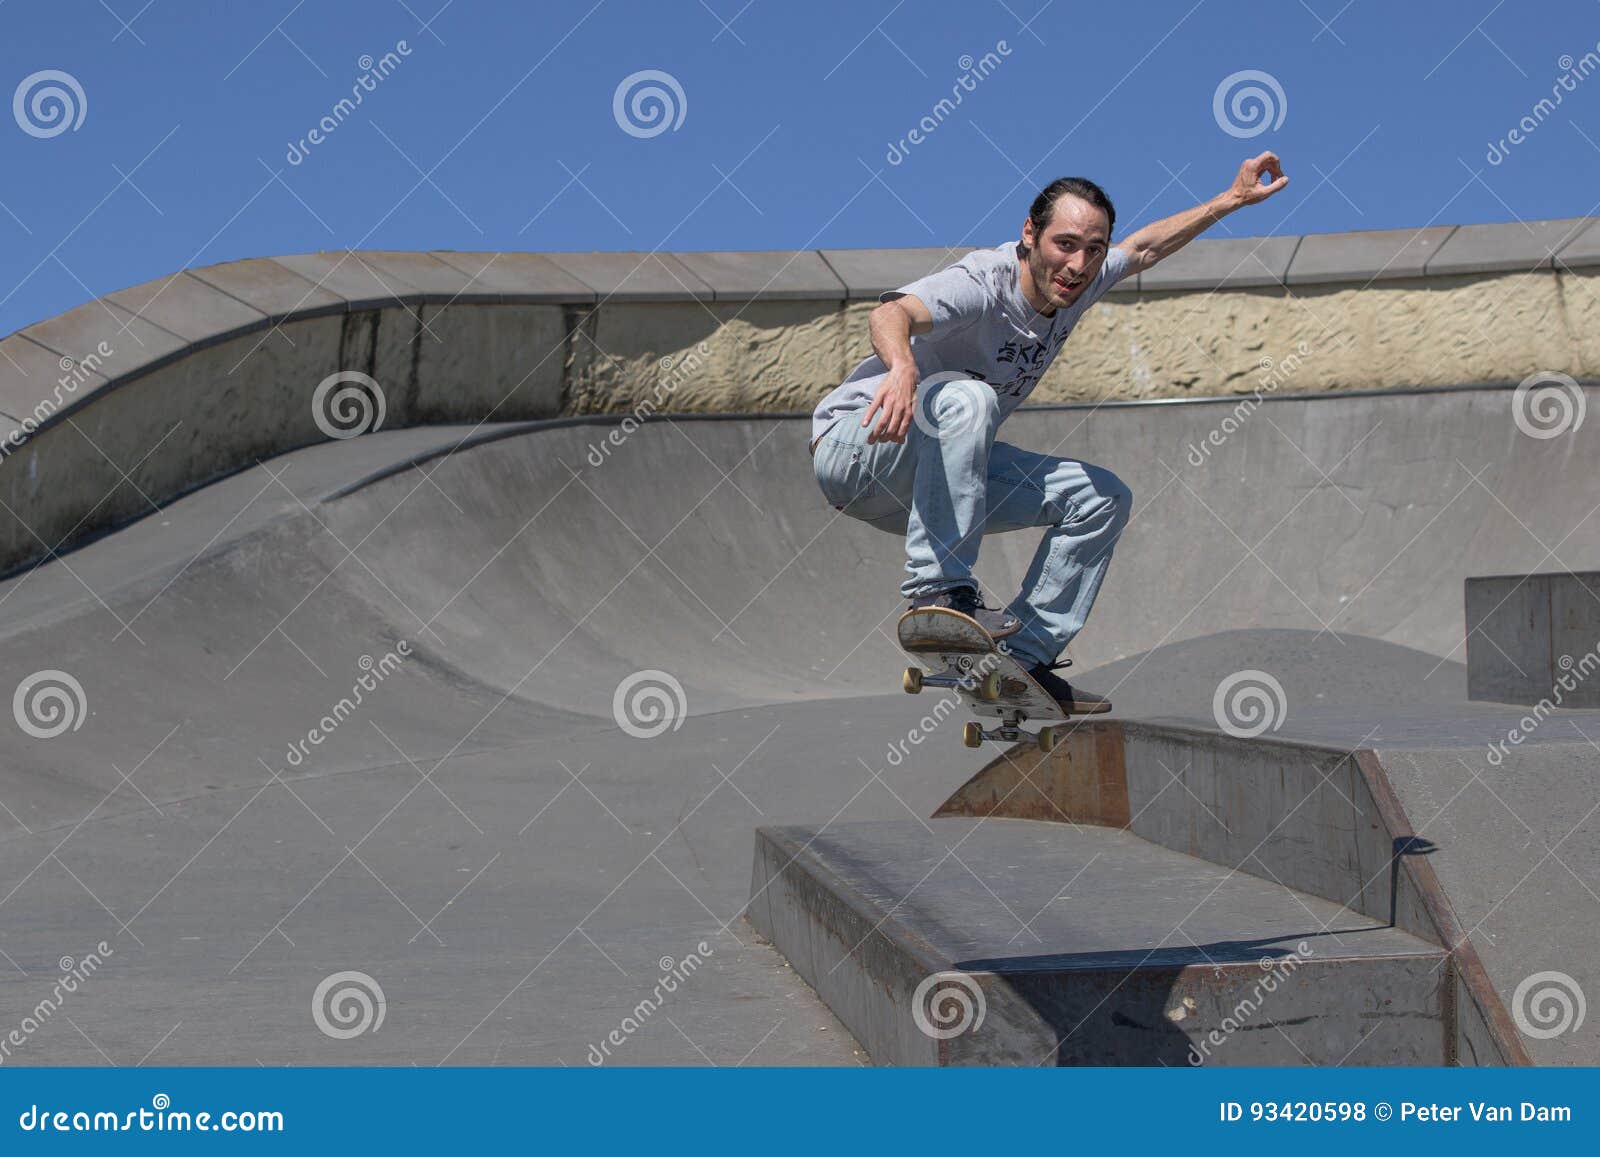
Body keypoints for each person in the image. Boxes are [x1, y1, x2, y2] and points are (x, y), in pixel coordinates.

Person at [810, 153, 1289, 712]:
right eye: (1064, 245)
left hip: (924, 492)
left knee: (1099, 497)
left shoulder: (1085, 278)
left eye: (1092, 250)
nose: (1078, 265)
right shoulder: (981, 282)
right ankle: (939, 594)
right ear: (1030, 234)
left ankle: (1025, 660)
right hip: (861, 450)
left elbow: (1145, 248)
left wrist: (1229, 200)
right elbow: (890, 313)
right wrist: (902, 368)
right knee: (968, 396)